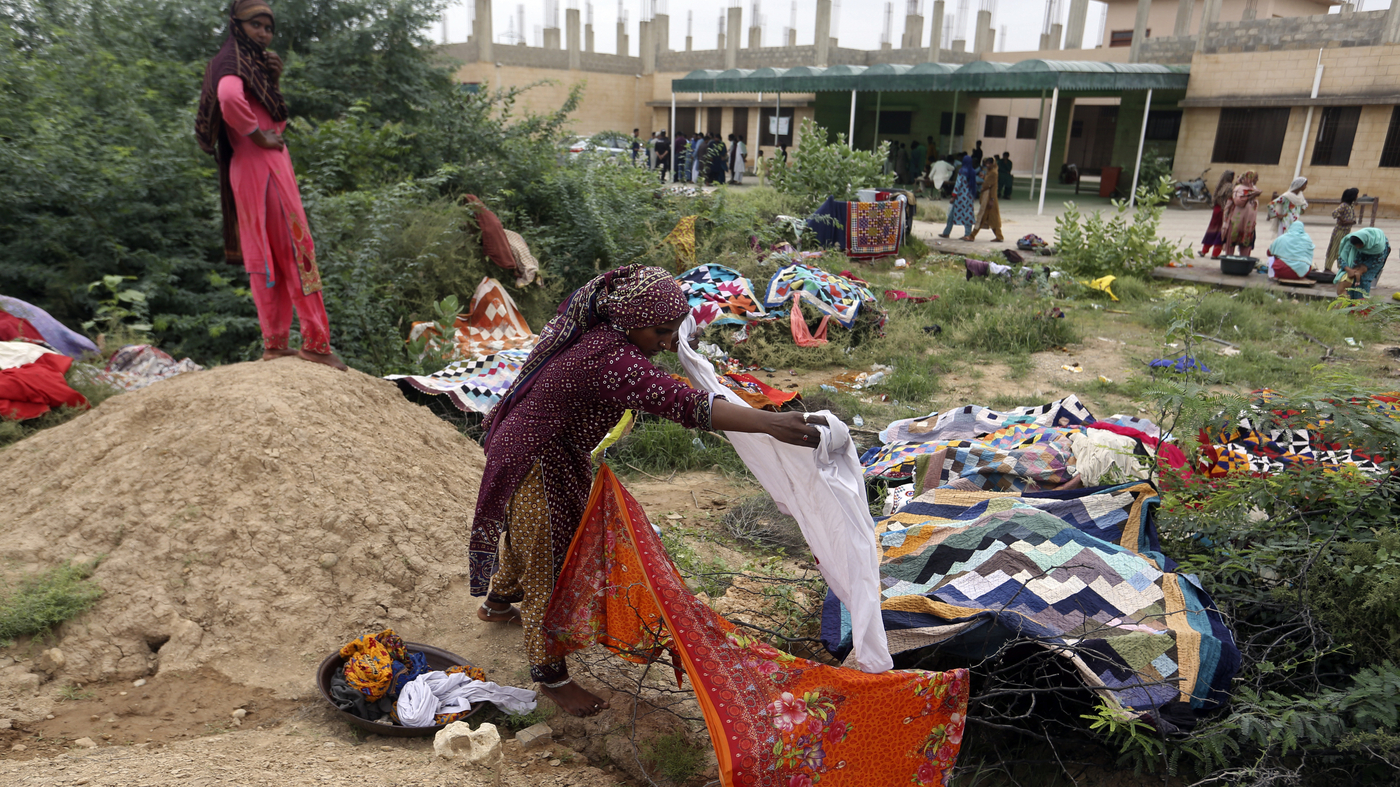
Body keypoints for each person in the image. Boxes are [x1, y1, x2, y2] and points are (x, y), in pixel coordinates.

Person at [471, 265, 826, 717]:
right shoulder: (609, 360)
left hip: (536, 445)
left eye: (674, 330)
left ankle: (498, 602)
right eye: (660, 331)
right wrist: (770, 423)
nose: (667, 341)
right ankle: (550, 675)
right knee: (549, 558)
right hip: (536, 458)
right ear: (631, 320)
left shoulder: (601, 330)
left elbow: (669, 378)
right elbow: (683, 403)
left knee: (535, 534)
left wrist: (673, 341)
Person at [195, 0, 346, 371]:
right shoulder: (232, 62)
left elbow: (257, 103)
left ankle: (275, 343)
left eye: (268, 28)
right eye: (256, 25)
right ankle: (315, 342)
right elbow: (229, 96)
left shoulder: (246, 62)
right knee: (296, 248)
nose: (263, 33)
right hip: (263, 167)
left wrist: (273, 80)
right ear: (236, 25)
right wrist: (257, 134)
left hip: (249, 170)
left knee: (266, 256)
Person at [1334, 228, 1391, 298]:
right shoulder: (1350, 242)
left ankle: (1361, 302)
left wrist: (1361, 270)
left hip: (1375, 258)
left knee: (1364, 279)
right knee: (1351, 278)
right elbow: (1342, 257)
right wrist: (1348, 269)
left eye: (1359, 246)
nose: (1357, 247)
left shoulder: (1378, 246)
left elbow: (1377, 261)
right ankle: (1349, 302)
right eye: (1356, 246)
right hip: (1359, 255)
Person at [1221, 170, 1262, 257]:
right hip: (1236, 222)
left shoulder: (1254, 189)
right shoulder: (1238, 188)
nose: (1257, 180)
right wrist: (1252, 195)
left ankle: (1244, 260)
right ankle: (1228, 259)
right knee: (1231, 242)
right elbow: (1238, 202)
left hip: (1248, 224)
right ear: (1248, 178)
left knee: (1246, 243)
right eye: (1255, 178)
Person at [1199, 170, 1236, 259]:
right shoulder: (1230, 187)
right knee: (1221, 232)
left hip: (1216, 210)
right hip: (1224, 211)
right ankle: (1215, 253)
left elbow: (1214, 199)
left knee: (1212, 229)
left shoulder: (1219, 186)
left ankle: (1204, 251)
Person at [939, 155, 978, 240]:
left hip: (960, 197)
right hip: (969, 197)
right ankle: (967, 234)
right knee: (968, 215)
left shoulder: (962, 171)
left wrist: (953, 196)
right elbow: (974, 185)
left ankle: (946, 233)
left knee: (951, 215)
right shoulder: (973, 172)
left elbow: (958, 184)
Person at [969, 157, 1004, 243]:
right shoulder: (991, 172)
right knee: (993, 217)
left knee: (981, 216)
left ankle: (972, 235)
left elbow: (988, 185)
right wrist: (984, 177)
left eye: (989, 163)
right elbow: (990, 182)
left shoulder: (993, 173)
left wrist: (991, 199)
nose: (987, 165)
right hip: (990, 197)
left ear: (993, 164)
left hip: (988, 197)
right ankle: (999, 236)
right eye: (986, 163)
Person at [1324, 188, 1360, 272]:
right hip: (1339, 231)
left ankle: (1341, 266)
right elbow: (1335, 212)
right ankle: (1328, 267)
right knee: (1334, 249)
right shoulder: (1344, 205)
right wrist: (1342, 220)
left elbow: (1353, 218)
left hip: (1346, 232)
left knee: (1342, 249)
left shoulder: (1351, 206)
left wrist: (1351, 221)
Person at [1268, 176, 1309, 241]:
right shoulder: (1286, 196)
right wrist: (1277, 215)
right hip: (1286, 221)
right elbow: (1271, 204)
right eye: (1304, 185)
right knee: (1285, 239)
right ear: (1300, 185)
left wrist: (1301, 210)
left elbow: (1304, 204)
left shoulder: (1300, 196)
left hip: (1296, 222)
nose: (1305, 187)